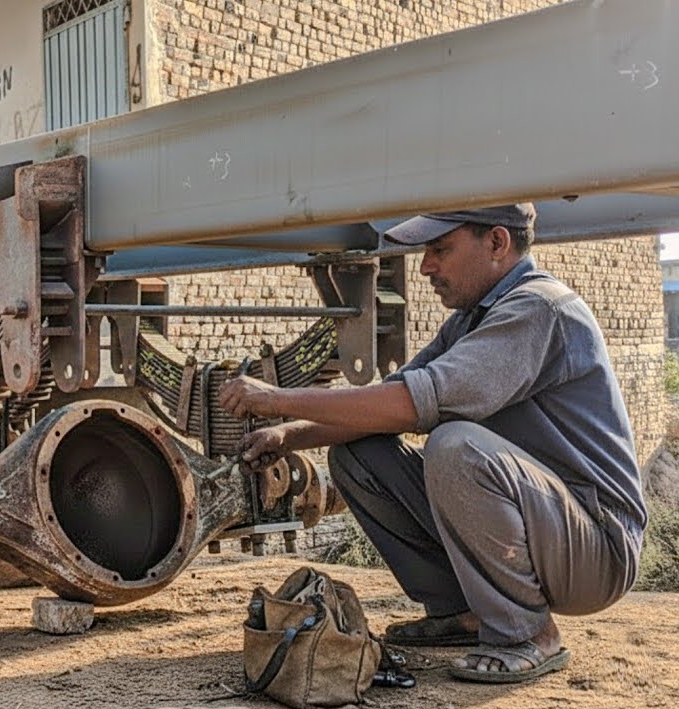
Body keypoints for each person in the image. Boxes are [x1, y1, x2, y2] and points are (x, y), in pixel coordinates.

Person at [218, 204, 645, 683]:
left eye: (441, 249)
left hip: (596, 550)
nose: (426, 267)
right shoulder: (470, 321)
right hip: (545, 526)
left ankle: (528, 634)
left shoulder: (538, 308)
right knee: (361, 453)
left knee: (454, 446)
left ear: (498, 244)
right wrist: (286, 434)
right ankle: (461, 613)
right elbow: (383, 405)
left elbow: (414, 404)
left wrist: (277, 400)